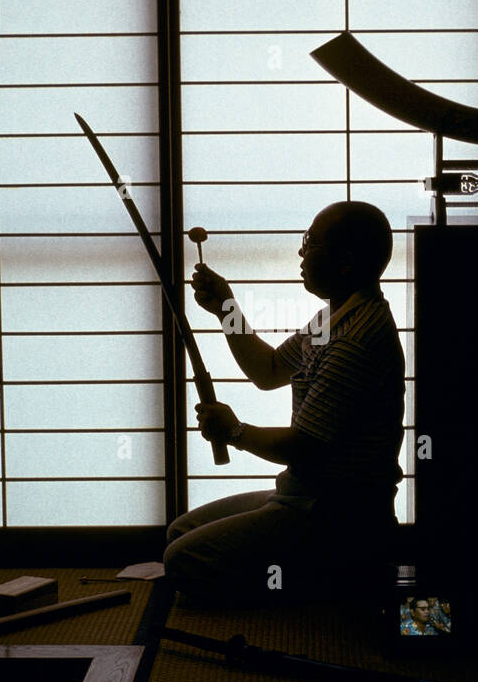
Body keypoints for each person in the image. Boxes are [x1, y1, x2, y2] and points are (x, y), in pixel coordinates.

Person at [162, 201, 404, 603]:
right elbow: (269, 369)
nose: (301, 252)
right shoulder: (333, 319)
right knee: (180, 535)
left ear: (344, 263)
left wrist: (235, 431)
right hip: (301, 494)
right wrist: (226, 308)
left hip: (334, 511)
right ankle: (315, 569)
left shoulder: (354, 339)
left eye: (310, 242)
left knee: (182, 560)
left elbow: (304, 448)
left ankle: (329, 579)